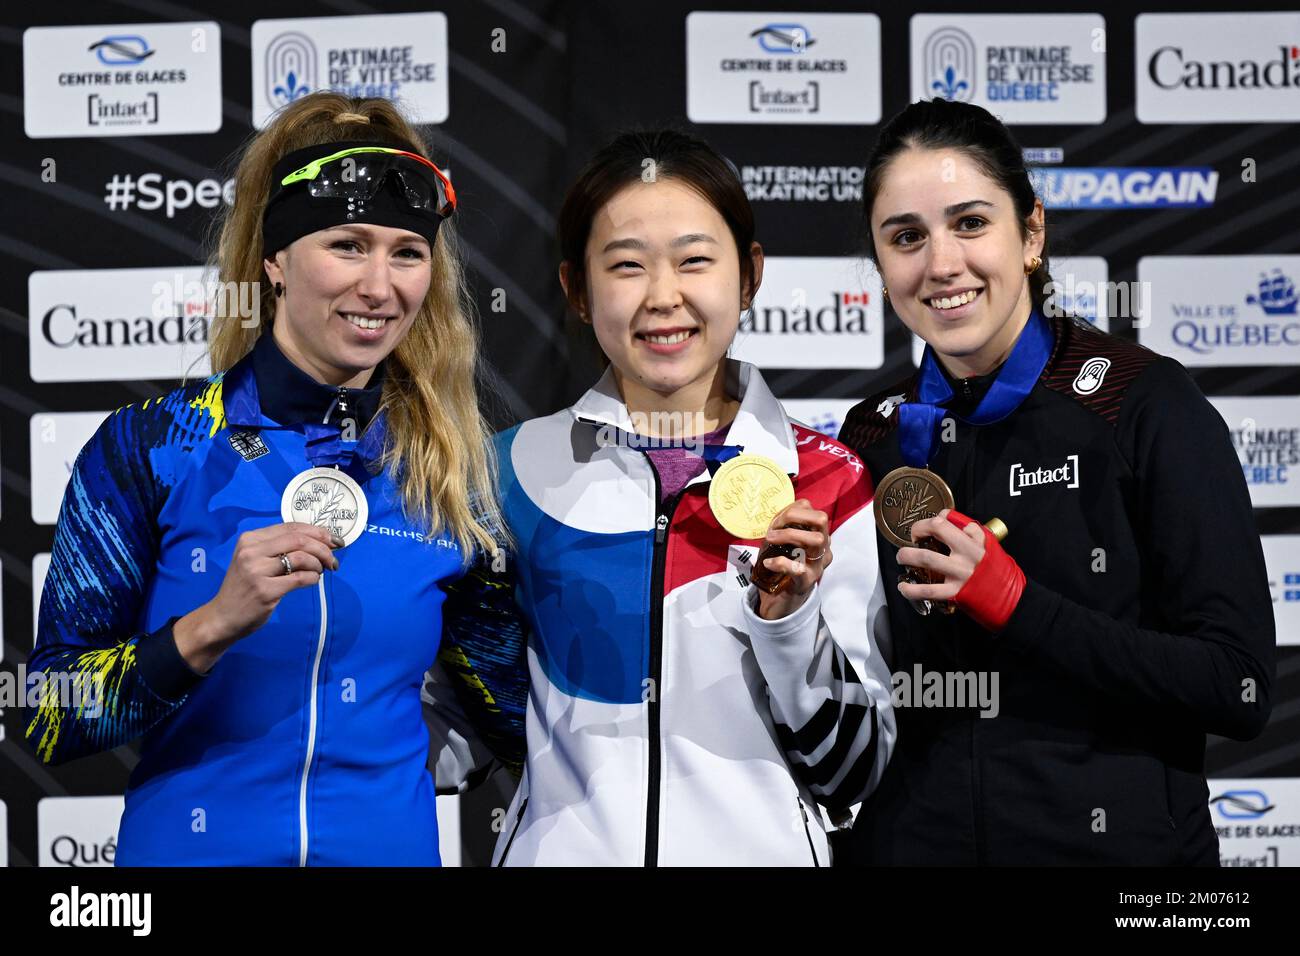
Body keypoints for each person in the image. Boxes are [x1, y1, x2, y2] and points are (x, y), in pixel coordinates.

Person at [24, 92, 524, 866]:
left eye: (406, 252)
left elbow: (522, 720)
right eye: (348, 245)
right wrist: (207, 627)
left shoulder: (454, 470)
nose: (380, 286)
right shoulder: (157, 446)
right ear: (275, 260)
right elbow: (50, 713)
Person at [837, 97, 1275, 865]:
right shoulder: (872, 435)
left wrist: (1018, 605)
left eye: (971, 223)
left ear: (1031, 233)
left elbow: (1236, 684)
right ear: (879, 263)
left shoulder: (1140, 403)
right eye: (907, 237)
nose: (941, 264)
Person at [471, 128, 896, 866]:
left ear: (750, 276)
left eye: (695, 261)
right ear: (576, 289)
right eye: (626, 266)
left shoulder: (830, 481)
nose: (663, 297)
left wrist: (789, 623)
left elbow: (853, 773)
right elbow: (455, 720)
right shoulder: (506, 474)